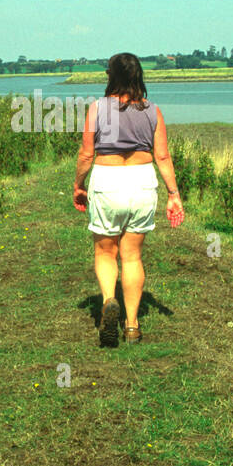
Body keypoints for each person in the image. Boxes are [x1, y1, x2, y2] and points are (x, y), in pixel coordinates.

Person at [72, 53, 183, 347]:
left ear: (111, 76)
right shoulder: (153, 111)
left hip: (108, 182)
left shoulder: (98, 108)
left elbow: (86, 154)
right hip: (142, 181)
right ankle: (132, 326)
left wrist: (78, 184)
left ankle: (109, 301)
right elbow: (162, 156)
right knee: (132, 255)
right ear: (138, 77)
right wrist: (174, 194)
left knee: (106, 251)